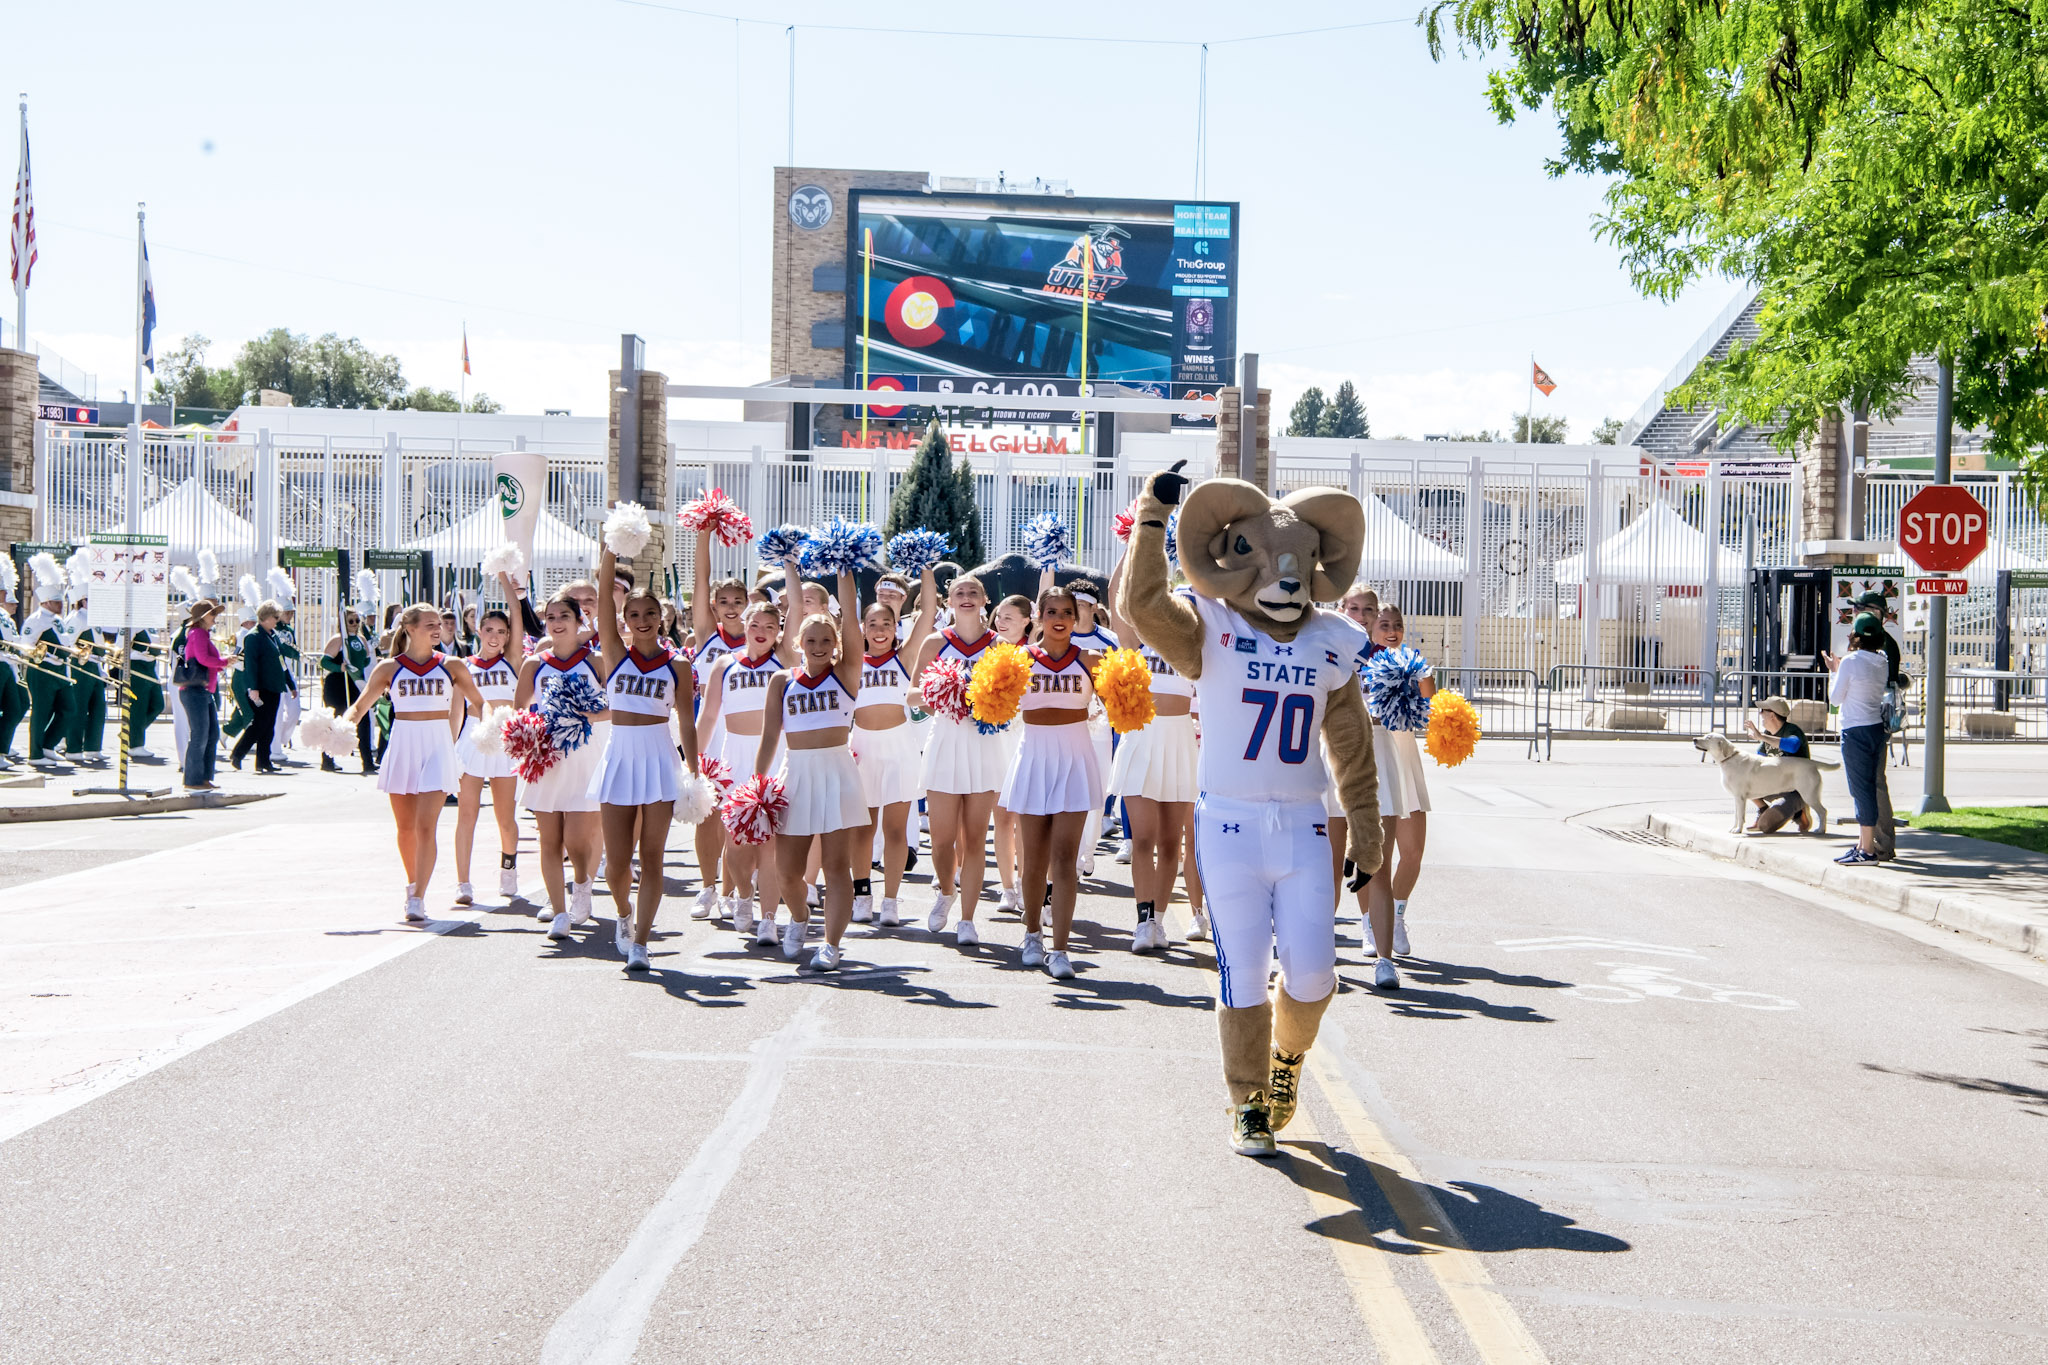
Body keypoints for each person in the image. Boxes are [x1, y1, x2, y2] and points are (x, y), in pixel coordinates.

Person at [592, 544, 701, 970]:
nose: (642, 621)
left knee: (652, 854)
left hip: (658, 756)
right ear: (625, 621)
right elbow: (603, 601)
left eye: (650, 614)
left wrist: (695, 770)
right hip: (619, 756)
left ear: (663, 618)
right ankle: (623, 915)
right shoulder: (615, 653)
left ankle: (641, 941)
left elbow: (687, 722)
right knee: (617, 864)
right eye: (634, 615)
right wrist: (607, 555)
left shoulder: (679, 667)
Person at [342, 603, 486, 921]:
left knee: (425, 826)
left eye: (439, 624)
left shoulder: (452, 665)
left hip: (437, 745)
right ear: (409, 627)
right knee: (405, 828)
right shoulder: (389, 668)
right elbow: (360, 706)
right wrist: (338, 728)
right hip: (404, 743)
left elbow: (479, 703)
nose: (438, 629)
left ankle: (418, 896)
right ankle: (411, 884)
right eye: (430, 624)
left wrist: (494, 728)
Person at [755, 569, 867, 969]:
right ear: (798, 642)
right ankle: (800, 918)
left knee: (838, 868)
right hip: (795, 774)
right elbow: (770, 736)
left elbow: (851, 616)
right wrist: (758, 782)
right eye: (811, 640)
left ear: (836, 645)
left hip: (836, 772)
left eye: (826, 640)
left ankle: (832, 944)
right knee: (787, 871)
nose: (818, 647)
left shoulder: (846, 674)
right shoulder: (781, 681)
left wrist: (845, 571)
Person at [1001, 585, 1105, 979]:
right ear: (1040, 617)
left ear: (1075, 618)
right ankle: (1031, 934)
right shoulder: (1017, 660)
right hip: (1033, 758)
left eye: (1067, 612)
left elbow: (1125, 705)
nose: (1059, 619)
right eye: (1052, 612)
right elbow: (992, 708)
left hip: (1075, 759)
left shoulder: (1092, 661)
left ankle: (1060, 948)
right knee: (1033, 858)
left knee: (1065, 859)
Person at [1107, 568, 1201, 954]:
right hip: (1141, 739)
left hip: (1181, 741)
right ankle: (1144, 920)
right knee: (1142, 838)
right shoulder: (1137, 645)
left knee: (1169, 842)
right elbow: (1117, 594)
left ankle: (1159, 920)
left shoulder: (1199, 654)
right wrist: (1134, 540)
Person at [913, 569, 1009, 943]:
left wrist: (989, 701)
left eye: (973, 592)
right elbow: (912, 696)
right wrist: (945, 693)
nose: (966, 597)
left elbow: (1013, 699)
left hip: (982, 745)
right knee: (941, 841)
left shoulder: (1000, 646)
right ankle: (946, 890)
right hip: (945, 742)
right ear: (949, 602)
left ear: (985, 600)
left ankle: (967, 919)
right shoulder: (935, 641)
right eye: (959, 592)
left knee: (973, 838)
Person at [515, 589, 613, 938]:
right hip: (547, 758)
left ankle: (582, 887)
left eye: (564, 617)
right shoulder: (534, 664)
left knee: (576, 838)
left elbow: (618, 707)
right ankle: (559, 911)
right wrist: (526, 734)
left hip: (586, 755)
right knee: (549, 839)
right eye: (551, 618)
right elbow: (518, 712)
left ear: (579, 621)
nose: (557, 624)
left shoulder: (598, 661)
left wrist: (591, 714)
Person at [694, 598, 792, 940]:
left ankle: (768, 919)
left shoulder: (784, 661)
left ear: (779, 630)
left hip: (773, 754)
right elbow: (707, 717)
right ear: (744, 627)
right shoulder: (724, 664)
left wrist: (789, 566)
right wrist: (692, 761)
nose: (762, 632)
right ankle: (744, 895)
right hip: (733, 758)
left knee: (771, 845)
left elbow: (795, 621)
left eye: (770, 626)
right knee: (735, 843)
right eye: (755, 625)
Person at [849, 573, 936, 928]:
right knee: (863, 829)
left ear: (896, 627)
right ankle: (861, 894)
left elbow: (928, 611)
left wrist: (927, 570)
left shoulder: (906, 656)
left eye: (887, 623)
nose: (880, 629)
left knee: (897, 831)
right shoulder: (852, 660)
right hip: (862, 749)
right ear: (863, 628)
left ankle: (891, 900)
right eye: (873, 623)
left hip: (900, 746)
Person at [1364, 604, 1434, 989]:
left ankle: (1397, 912)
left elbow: (1431, 707)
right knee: (1379, 855)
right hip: (1378, 757)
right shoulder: (1361, 664)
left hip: (1406, 756)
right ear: (1372, 629)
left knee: (1414, 852)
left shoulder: (1415, 663)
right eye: (1384, 624)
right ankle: (1374, 927)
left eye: (1397, 625)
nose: (1391, 630)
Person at [686, 525, 753, 922]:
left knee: (737, 817)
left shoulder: (758, 640)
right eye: (723, 601)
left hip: (744, 738)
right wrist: (703, 536)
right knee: (708, 816)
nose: (731, 607)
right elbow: (700, 580)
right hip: (710, 737)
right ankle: (708, 887)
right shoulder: (706, 636)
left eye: (738, 600)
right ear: (712, 606)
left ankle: (732, 890)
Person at [450, 609, 526, 906]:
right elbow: (456, 711)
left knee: (505, 817)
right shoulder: (463, 666)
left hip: (505, 739)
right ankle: (463, 882)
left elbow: (517, 617)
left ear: (508, 636)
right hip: (473, 736)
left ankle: (508, 870)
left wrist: (508, 580)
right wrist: (450, 747)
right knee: (466, 814)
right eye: (489, 630)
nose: (495, 636)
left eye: (501, 632)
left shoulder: (512, 662)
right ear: (478, 630)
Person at [1825, 617, 1890, 866]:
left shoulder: (1851, 662)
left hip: (1855, 729)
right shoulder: (1881, 660)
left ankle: (1867, 850)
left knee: (1860, 789)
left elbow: (1836, 698)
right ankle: (1864, 845)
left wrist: (1835, 671)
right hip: (1875, 727)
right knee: (1869, 787)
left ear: (1855, 636)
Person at [987, 592, 1034, 914]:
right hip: (995, 739)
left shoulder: (1035, 653)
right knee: (1002, 818)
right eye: (998, 616)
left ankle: (1024, 881)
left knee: (1025, 820)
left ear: (1026, 621)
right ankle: (1006, 886)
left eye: (1008, 617)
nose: (1000, 622)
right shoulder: (987, 650)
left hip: (1028, 739)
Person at [1852, 589, 1905, 861]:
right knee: (1871, 782)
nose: (1853, 614)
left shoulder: (1880, 643)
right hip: (1874, 719)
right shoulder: (1887, 643)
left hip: (1870, 720)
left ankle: (1881, 843)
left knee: (1873, 783)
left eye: (1857, 609)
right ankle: (1871, 841)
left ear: (1873, 611)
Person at [176, 600, 237, 790]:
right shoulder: (198, 634)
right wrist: (224, 662)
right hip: (195, 691)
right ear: (203, 617)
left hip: (202, 690)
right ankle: (194, 779)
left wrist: (221, 663)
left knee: (210, 734)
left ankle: (203, 777)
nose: (215, 618)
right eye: (212, 615)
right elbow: (203, 659)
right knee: (201, 734)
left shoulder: (200, 634)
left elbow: (205, 660)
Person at [230, 602, 292, 775]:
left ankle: (263, 761)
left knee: (269, 725)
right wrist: (253, 687)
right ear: (266, 617)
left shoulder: (272, 635)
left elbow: (281, 662)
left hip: (274, 686)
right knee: (260, 724)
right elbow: (252, 664)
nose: (277, 621)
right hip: (262, 687)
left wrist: (290, 684)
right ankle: (238, 753)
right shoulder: (254, 636)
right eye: (275, 617)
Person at [1743, 696, 1814, 834]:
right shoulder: (1768, 734)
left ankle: (1799, 811)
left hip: (1794, 790)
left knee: (1766, 825)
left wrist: (1762, 737)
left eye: (1762, 710)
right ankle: (1763, 808)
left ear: (1772, 715)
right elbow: (1758, 760)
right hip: (1773, 787)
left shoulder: (1792, 730)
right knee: (1742, 783)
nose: (1760, 714)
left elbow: (1793, 746)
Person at [320, 607, 377, 774]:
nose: (354, 624)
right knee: (335, 720)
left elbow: (366, 660)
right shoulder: (338, 640)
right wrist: (340, 667)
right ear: (343, 623)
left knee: (364, 720)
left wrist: (356, 668)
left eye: (357, 621)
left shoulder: (361, 639)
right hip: (338, 684)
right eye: (351, 621)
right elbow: (324, 662)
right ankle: (327, 760)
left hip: (355, 684)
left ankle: (367, 761)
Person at [126, 625, 165, 759]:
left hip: (150, 666)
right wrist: (137, 654)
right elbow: (121, 647)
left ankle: (131, 733)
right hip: (137, 665)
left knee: (158, 705)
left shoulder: (150, 624)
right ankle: (135, 745)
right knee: (138, 708)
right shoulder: (132, 623)